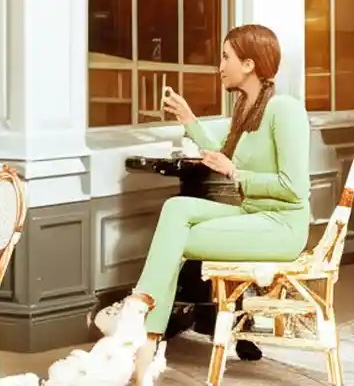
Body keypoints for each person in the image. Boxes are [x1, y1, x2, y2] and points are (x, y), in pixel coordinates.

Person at [94, 24, 312, 380]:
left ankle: (141, 329)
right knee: (176, 209)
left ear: (249, 64)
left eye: (226, 57)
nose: (220, 66)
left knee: (172, 244)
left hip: (282, 226)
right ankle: (144, 327)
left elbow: (294, 188)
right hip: (252, 214)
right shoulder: (246, 109)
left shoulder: (285, 110)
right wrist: (188, 119)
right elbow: (220, 153)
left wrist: (237, 174)